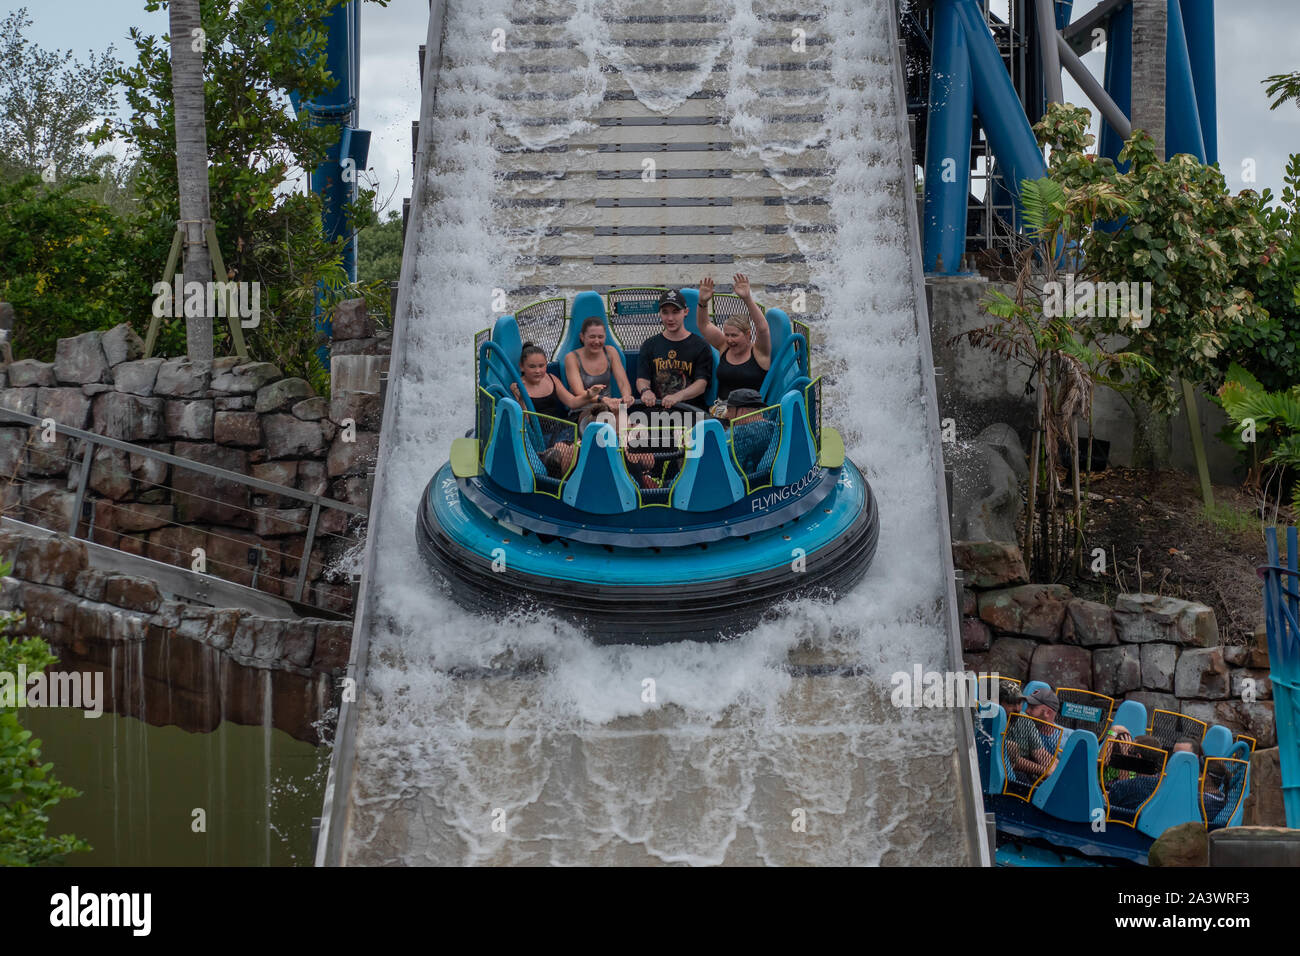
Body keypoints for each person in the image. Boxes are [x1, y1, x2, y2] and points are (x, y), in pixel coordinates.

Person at [696, 273, 771, 400]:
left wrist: (747, 299)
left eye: (734, 335)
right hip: (723, 411)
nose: (730, 340)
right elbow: (704, 325)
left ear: (748, 334)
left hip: (749, 414)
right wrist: (703, 302)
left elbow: (763, 328)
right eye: (727, 335)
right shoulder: (724, 346)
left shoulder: (759, 352)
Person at [635, 289, 713, 410]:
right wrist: (646, 391)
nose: (670, 318)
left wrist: (678, 396)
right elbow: (642, 378)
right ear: (659, 313)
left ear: (685, 312)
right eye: (665, 312)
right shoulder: (649, 344)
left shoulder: (700, 345)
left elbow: (701, 384)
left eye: (676, 312)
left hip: (689, 410)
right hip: (656, 410)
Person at [564, 317, 633, 410]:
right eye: (592, 337)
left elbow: (622, 382)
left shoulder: (611, 352)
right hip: (583, 410)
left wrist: (626, 396)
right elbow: (579, 392)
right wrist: (603, 399)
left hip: (609, 407)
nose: (597, 341)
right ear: (582, 337)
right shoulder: (572, 358)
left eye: (600, 337)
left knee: (628, 422)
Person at [1003, 688, 1063, 784]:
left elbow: (1040, 753)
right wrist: (1045, 772)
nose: (1020, 709)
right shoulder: (997, 720)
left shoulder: (1026, 721)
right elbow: (1011, 757)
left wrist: (1059, 775)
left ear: (1048, 713)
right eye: (1011, 704)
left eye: (1019, 703)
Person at [714, 387, 776, 475]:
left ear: (742, 411)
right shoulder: (773, 427)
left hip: (738, 484)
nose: (726, 414)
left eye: (729, 410)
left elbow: (713, 455)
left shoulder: (737, 434)